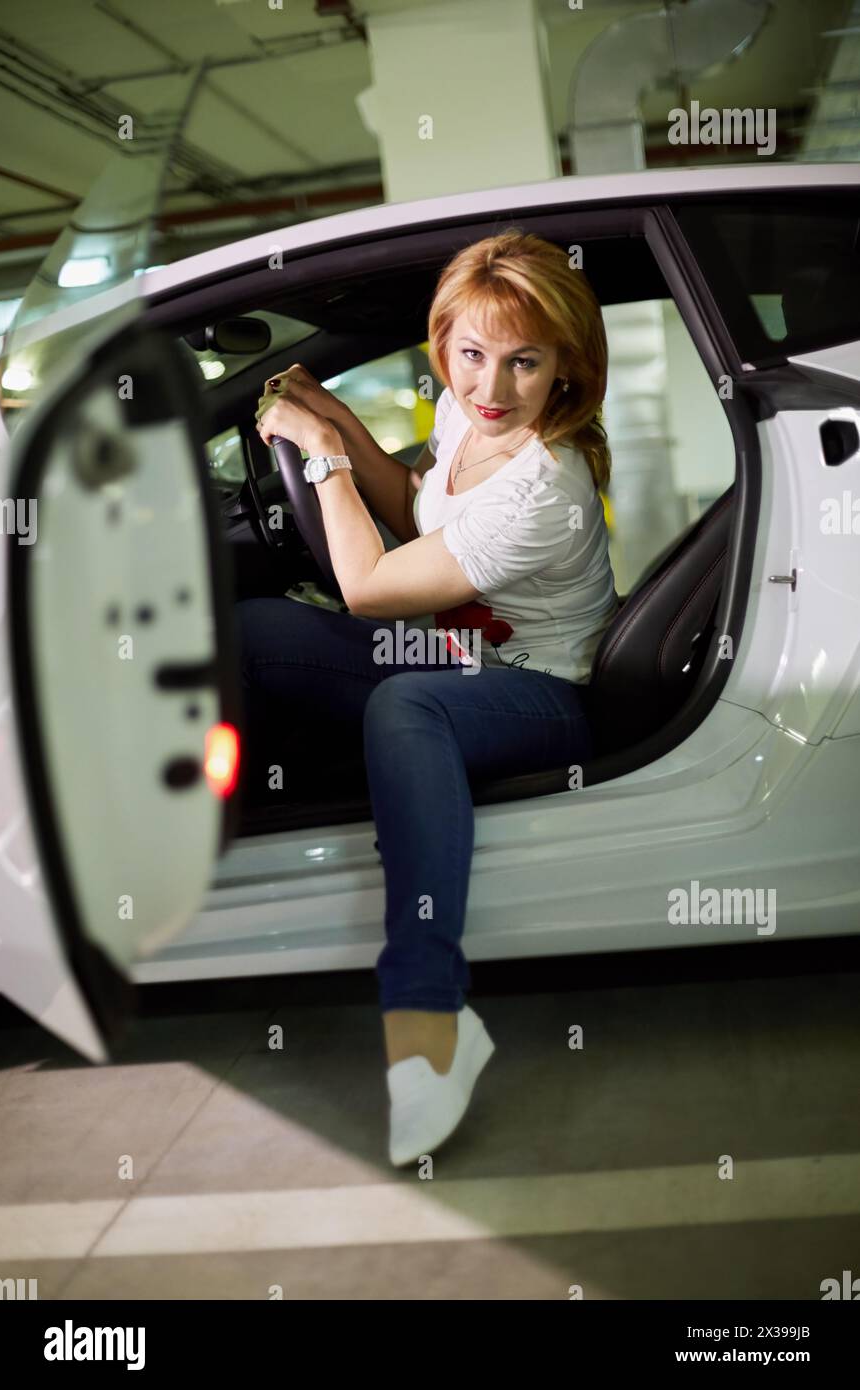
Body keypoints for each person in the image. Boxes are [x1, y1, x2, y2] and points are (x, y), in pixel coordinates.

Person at [237, 230, 619, 1166]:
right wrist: (336, 421)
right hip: (451, 652)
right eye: (473, 354)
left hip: (539, 690)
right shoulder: (465, 415)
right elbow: (418, 508)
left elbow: (368, 588)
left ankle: (429, 1026)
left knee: (402, 708)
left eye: (525, 361)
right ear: (444, 349)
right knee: (249, 631)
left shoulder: (548, 485)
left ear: (566, 368)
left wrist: (324, 453)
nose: (493, 387)